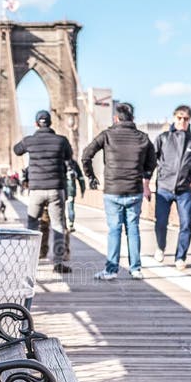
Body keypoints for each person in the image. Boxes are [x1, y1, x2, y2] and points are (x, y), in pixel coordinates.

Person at [81, 102, 156, 280]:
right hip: (134, 190)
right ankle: (136, 269)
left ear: (116, 118)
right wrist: (143, 176)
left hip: (112, 191)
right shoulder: (143, 138)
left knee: (114, 230)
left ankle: (111, 270)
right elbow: (152, 163)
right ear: (133, 118)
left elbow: (86, 155)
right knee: (133, 229)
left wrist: (90, 176)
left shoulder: (107, 135)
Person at [14, 109, 73, 273]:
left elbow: (16, 150)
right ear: (51, 123)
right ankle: (58, 263)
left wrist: (29, 145)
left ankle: (31, 262)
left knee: (32, 225)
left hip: (36, 190)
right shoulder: (61, 141)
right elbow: (69, 156)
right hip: (56, 189)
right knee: (58, 225)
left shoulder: (30, 140)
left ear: (35, 124)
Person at [153, 105, 191, 271]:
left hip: (184, 189)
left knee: (186, 223)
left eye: (186, 118)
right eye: (180, 118)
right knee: (161, 222)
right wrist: (152, 178)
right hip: (164, 188)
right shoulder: (163, 138)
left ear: (190, 121)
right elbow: (152, 158)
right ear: (174, 118)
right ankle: (161, 247)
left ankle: (180, 257)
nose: (182, 121)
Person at [65, 159, 86, 232]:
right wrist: (82, 190)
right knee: (70, 207)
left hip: (60, 189)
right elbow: (80, 177)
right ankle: (71, 224)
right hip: (71, 190)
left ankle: (64, 224)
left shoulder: (59, 160)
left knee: (60, 207)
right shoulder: (73, 163)